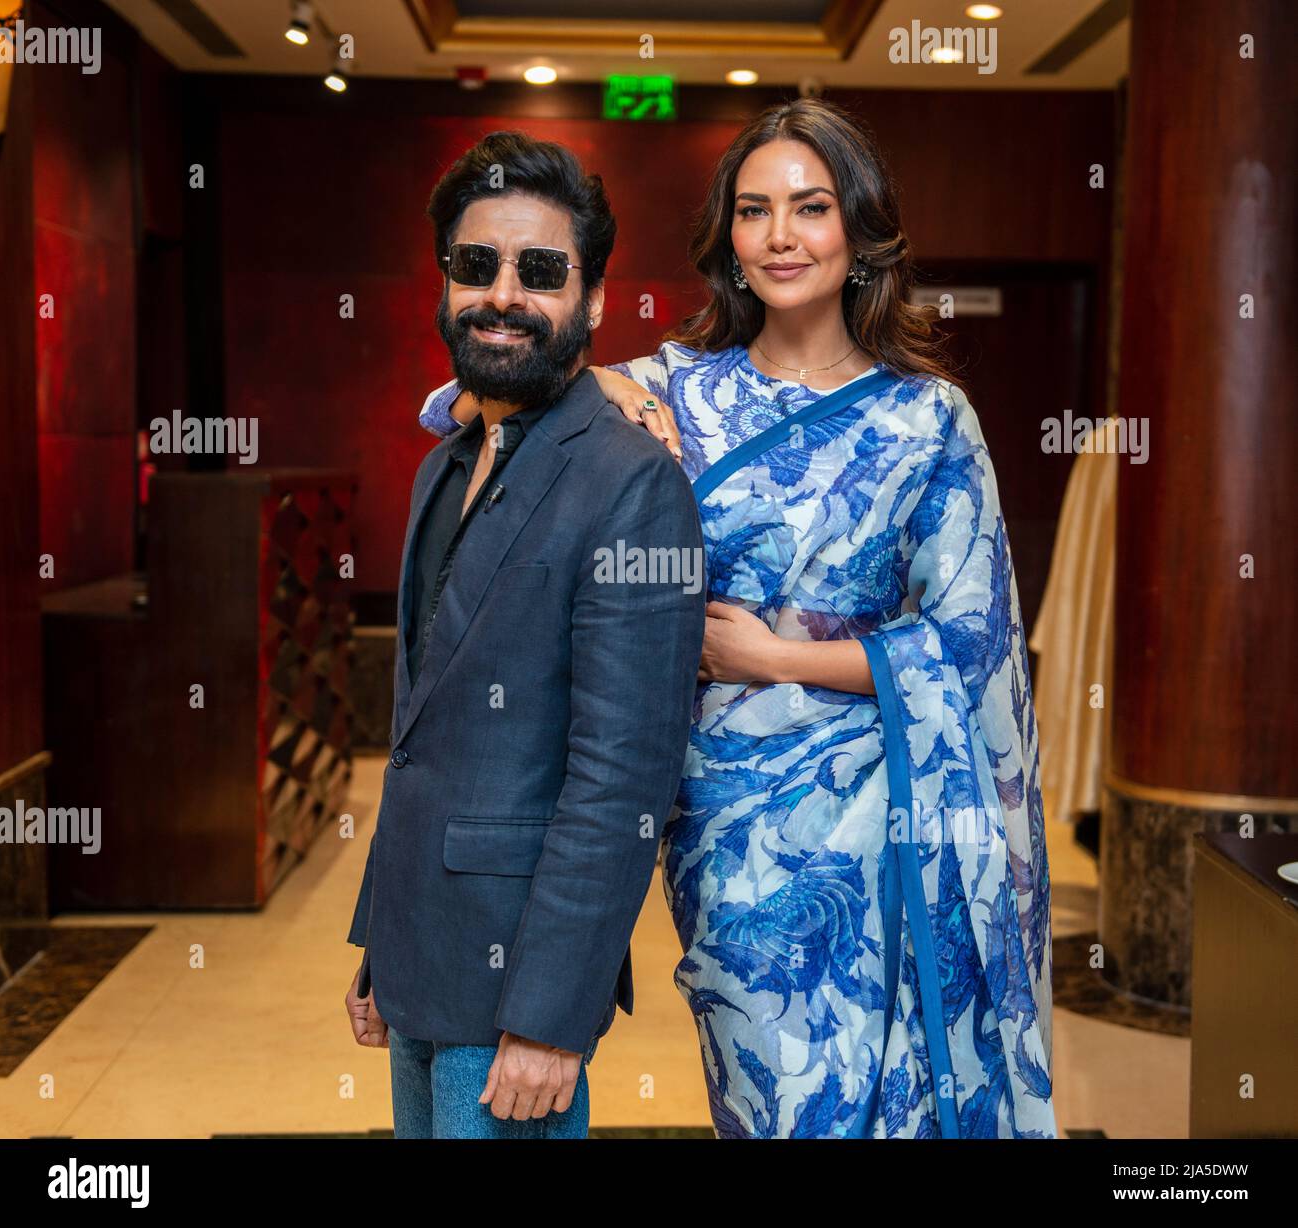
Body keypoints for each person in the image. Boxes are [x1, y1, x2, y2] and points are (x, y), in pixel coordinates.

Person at [421, 99, 1056, 1138]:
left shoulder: (927, 417)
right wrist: (591, 391)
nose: (780, 236)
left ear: (857, 230)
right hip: (725, 814)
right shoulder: (676, 387)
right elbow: (475, 395)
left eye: (810, 208)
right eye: (754, 210)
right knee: (772, 1085)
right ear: (728, 235)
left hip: (884, 811)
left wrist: (775, 653)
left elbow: (968, 640)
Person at [344, 131, 706, 1140]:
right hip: (425, 961)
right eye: (475, 266)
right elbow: (424, 737)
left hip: (517, 1000)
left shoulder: (635, 483)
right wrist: (384, 940)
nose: (501, 294)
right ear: (446, 285)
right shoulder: (442, 466)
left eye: (539, 271)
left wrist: (551, 1017)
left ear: (591, 302)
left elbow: (623, 777)